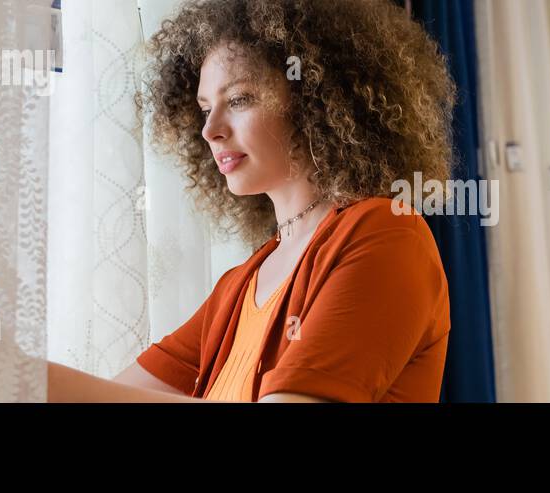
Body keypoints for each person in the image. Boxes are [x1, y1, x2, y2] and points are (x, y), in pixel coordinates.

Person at [48, 0, 455, 403]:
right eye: (205, 109)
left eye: (239, 99)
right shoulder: (239, 286)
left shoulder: (387, 234)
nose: (210, 130)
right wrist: (5, 368)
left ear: (314, 98)